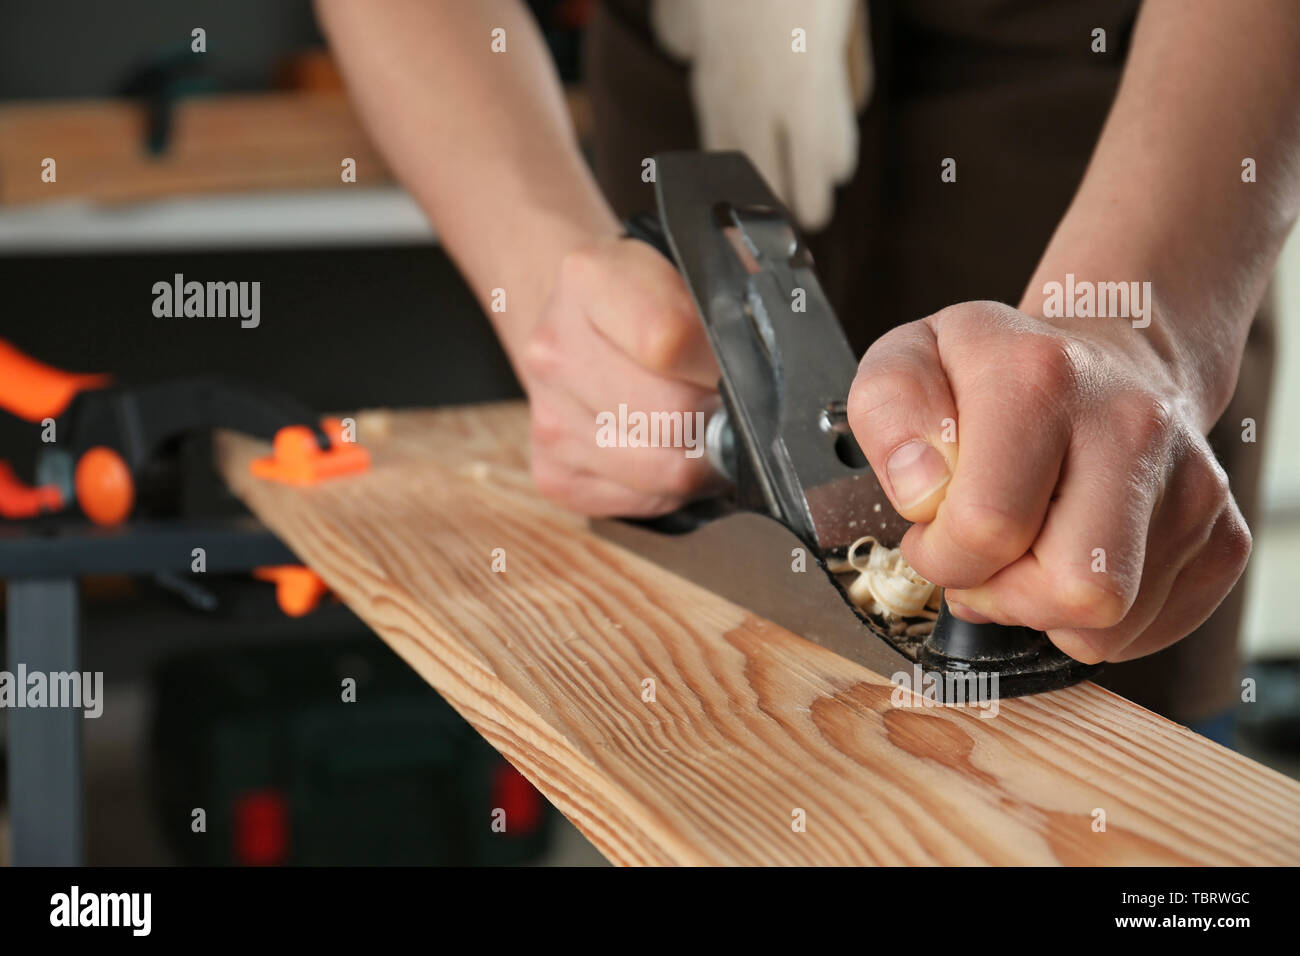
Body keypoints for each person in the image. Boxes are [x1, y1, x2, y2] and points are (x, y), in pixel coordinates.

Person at [314, 0, 1300, 738]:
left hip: (1123, 142)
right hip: (691, 76)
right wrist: (546, 284)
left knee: (1091, 648)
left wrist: (1142, 330)